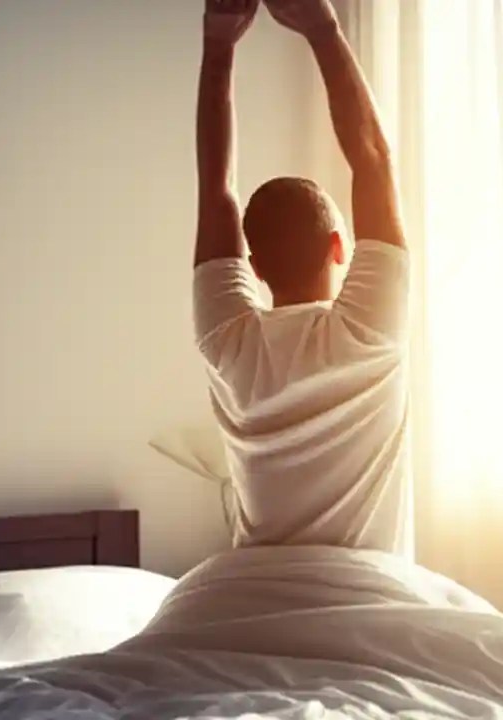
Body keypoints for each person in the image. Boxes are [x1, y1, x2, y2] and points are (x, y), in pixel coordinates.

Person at [191, 0, 410, 553]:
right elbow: (373, 160)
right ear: (340, 248)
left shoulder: (227, 343)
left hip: (246, 596)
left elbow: (216, 189)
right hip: (365, 595)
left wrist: (218, 50)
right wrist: (323, 26)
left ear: (253, 265)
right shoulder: (370, 334)